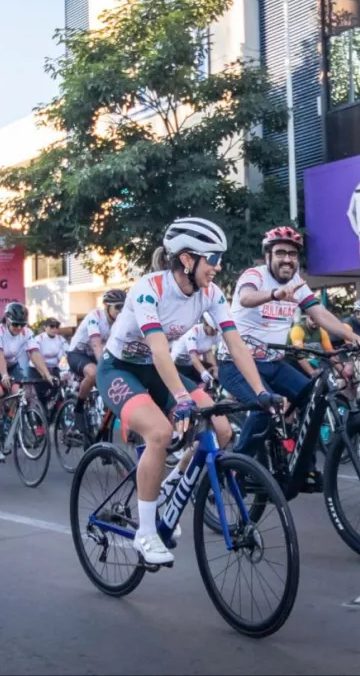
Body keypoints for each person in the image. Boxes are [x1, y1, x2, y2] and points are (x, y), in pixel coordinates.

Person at [98, 216, 280, 566]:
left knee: (222, 431)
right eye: (213, 258)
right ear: (187, 259)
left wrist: (260, 391)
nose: (218, 266)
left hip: (159, 369)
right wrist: (181, 398)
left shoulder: (211, 294)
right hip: (121, 369)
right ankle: (146, 532)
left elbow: (235, 344)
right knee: (160, 432)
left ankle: (170, 485)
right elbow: (158, 350)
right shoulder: (149, 289)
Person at [216, 225, 360, 492]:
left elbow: (321, 315)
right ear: (268, 256)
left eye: (292, 254)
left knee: (315, 397)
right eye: (280, 253)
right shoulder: (254, 275)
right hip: (236, 364)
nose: (287, 259)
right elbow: (245, 298)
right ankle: (237, 466)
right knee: (264, 407)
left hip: (273, 363)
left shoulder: (297, 283)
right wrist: (274, 294)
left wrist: (355, 339)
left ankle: (305, 468)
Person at [0, 302, 53, 461]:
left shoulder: (26, 332)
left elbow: (34, 354)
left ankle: (9, 419)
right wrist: (3, 375)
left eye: (22, 324)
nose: (18, 328)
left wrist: (47, 375)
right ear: (7, 320)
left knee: (24, 393)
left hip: (12, 366)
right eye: (15, 324)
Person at [66, 289, 125, 432]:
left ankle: (104, 421)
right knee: (93, 373)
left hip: (93, 355)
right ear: (107, 307)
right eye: (117, 307)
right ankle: (78, 409)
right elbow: (96, 344)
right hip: (77, 353)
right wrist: (105, 366)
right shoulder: (95, 316)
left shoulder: (120, 322)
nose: (121, 311)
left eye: (123, 307)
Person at [170, 314, 220, 387]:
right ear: (206, 325)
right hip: (177, 364)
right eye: (214, 330)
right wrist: (203, 372)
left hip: (191, 364)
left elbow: (208, 352)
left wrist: (214, 369)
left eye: (217, 330)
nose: (216, 333)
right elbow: (194, 358)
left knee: (215, 373)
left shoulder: (214, 334)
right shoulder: (193, 332)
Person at [30, 317, 68, 409]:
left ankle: (56, 413)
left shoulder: (60, 339)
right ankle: (40, 418)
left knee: (58, 389)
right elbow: (37, 355)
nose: (55, 329)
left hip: (53, 367)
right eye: (52, 326)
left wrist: (66, 370)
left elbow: (65, 354)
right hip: (38, 368)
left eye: (57, 326)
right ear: (45, 327)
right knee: (41, 394)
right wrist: (45, 372)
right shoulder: (39, 339)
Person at [287, 313, 333, 378]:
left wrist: (343, 371)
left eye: (319, 320)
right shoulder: (297, 329)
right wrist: (312, 372)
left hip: (305, 360)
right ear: (307, 317)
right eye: (313, 318)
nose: (316, 322)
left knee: (325, 368)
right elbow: (299, 355)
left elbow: (331, 353)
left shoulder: (322, 331)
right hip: (290, 361)